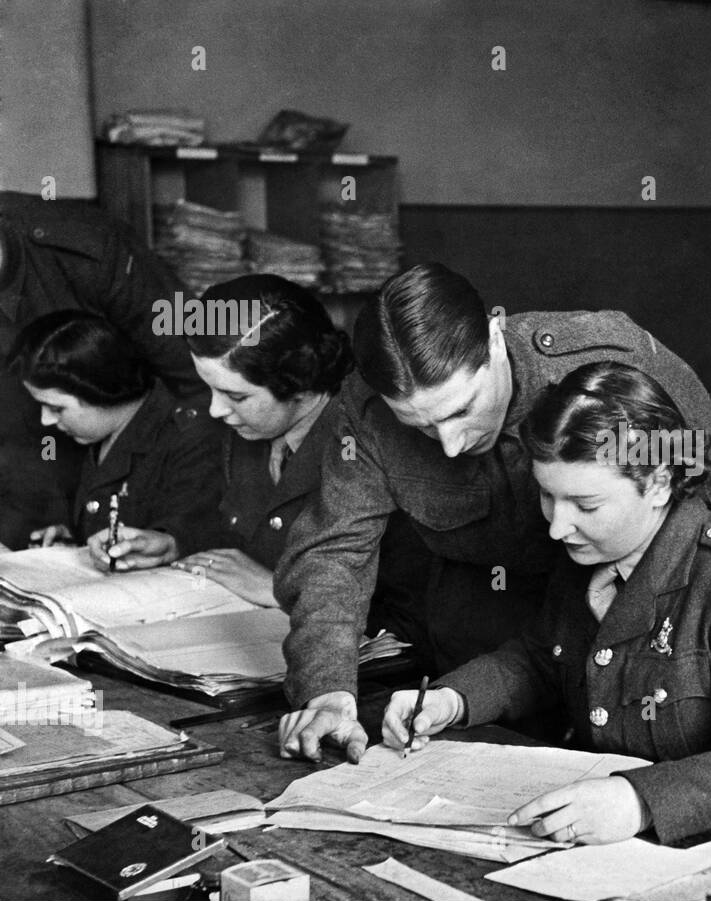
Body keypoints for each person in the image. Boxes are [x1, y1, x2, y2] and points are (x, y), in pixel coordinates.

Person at [276, 262, 711, 764]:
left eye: (463, 409)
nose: (447, 445)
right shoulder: (368, 410)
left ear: (495, 340)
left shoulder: (598, 362)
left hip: (629, 626)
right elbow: (333, 549)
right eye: (420, 427)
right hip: (492, 646)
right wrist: (327, 689)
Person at [380, 362, 711, 845]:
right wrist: (451, 700)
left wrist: (638, 800)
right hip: (617, 848)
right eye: (548, 498)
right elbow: (540, 660)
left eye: (586, 505)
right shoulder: (590, 552)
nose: (558, 526)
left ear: (658, 483)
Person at [93, 274, 429, 652]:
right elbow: (241, 528)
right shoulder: (252, 430)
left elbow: (414, 619)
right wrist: (174, 543)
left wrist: (281, 590)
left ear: (301, 386)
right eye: (210, 388)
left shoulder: (373, 445)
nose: (216, 409)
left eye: (235, 395)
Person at [0, 193, 202, 548]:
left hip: (138, 472)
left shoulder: (90, 248)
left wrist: (176, 534)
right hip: (38, 480)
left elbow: (200, 375)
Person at [6, 310, 222, 560]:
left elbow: (190, 538)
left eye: (57, 408)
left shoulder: (191, 438)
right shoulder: (98, 435)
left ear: (100, 389)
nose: (46, 420)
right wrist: (76, 543)